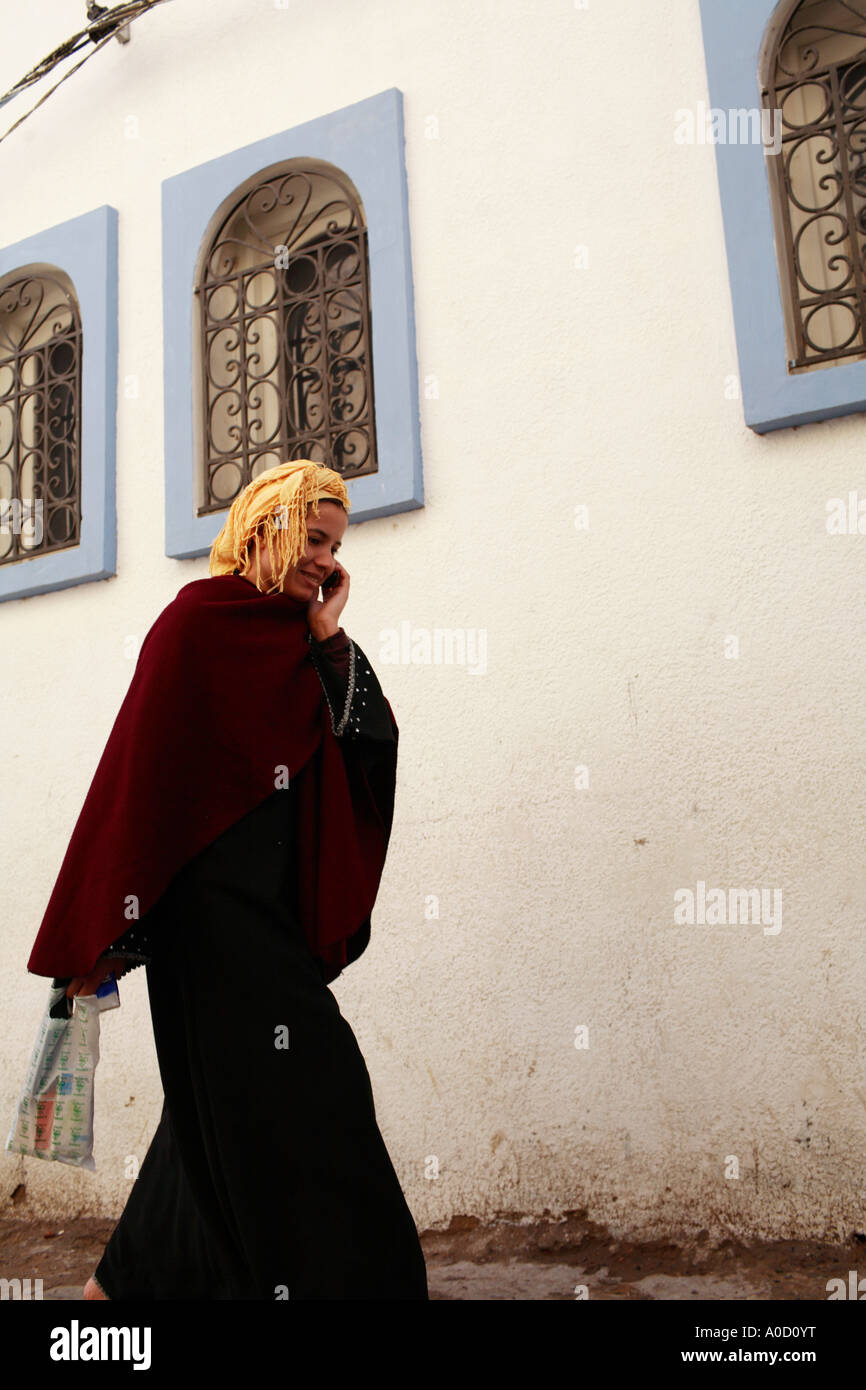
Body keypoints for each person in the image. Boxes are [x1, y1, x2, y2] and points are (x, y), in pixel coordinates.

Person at [26, 459, 429, 1301]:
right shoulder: (193, 627)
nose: (323, 558)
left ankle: (120, 1291)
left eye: (335, 546)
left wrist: (327, 639)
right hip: (207, 938)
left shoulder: (300, 642)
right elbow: (135, 786)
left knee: (216, 1117)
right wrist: (103, 926)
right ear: (263, 528)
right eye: (312, 539)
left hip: (271, 923)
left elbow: (371, 749)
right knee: (318, 1093)